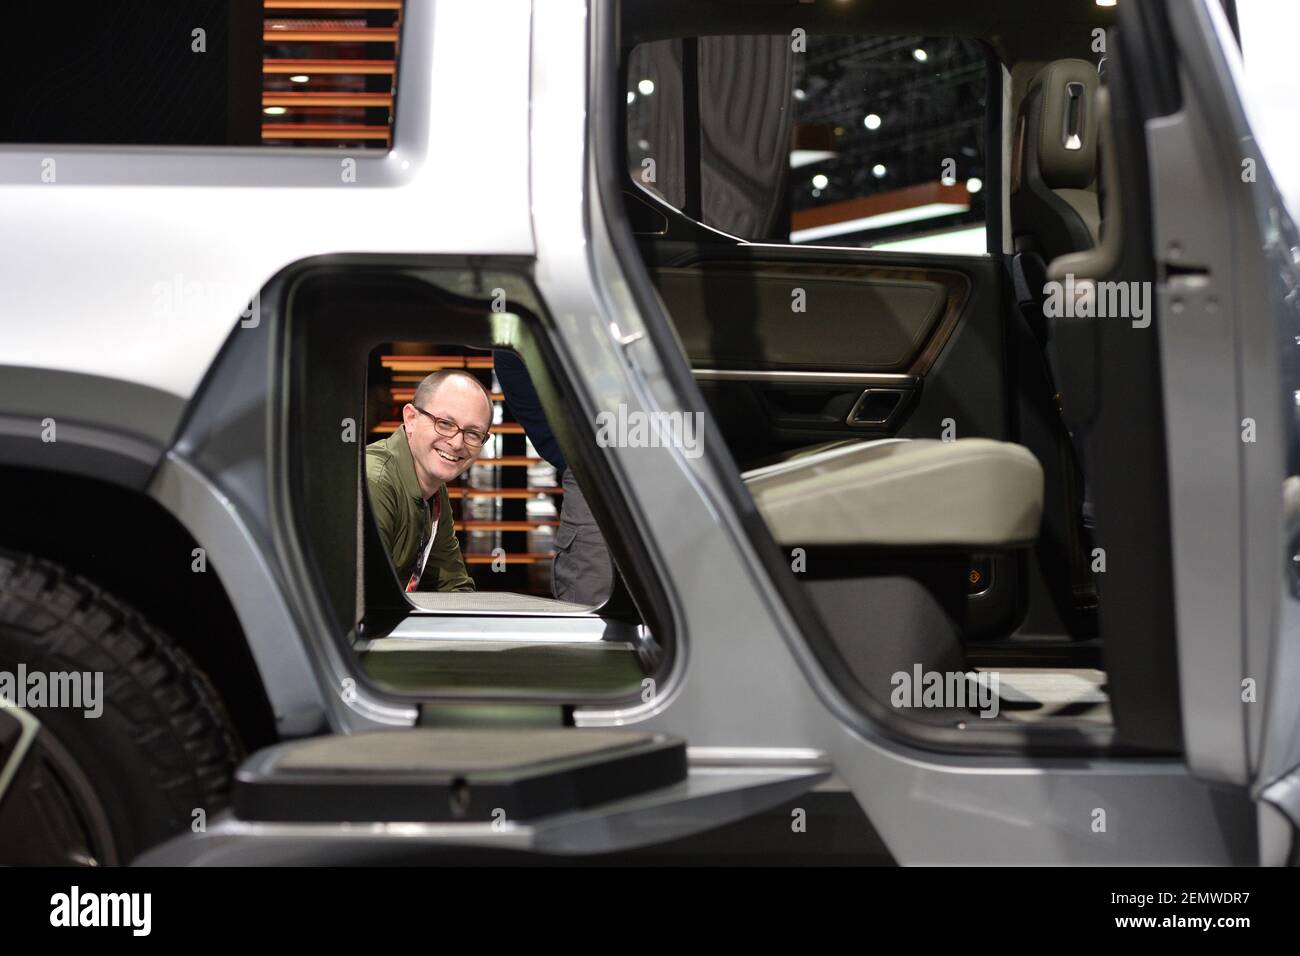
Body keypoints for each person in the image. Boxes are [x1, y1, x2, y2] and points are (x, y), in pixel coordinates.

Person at [492, 349, 614, 606]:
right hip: (593, 466)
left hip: (601, 460)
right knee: (589, 600)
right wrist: (579, 459)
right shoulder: (510, 353)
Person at [366, 369, 492, 592]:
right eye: (444, 423)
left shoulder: (434, 488)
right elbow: (366, 599)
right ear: (411, 419)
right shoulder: (374, 481)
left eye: (473, 433)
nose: (456, 443)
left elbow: (453, 584)